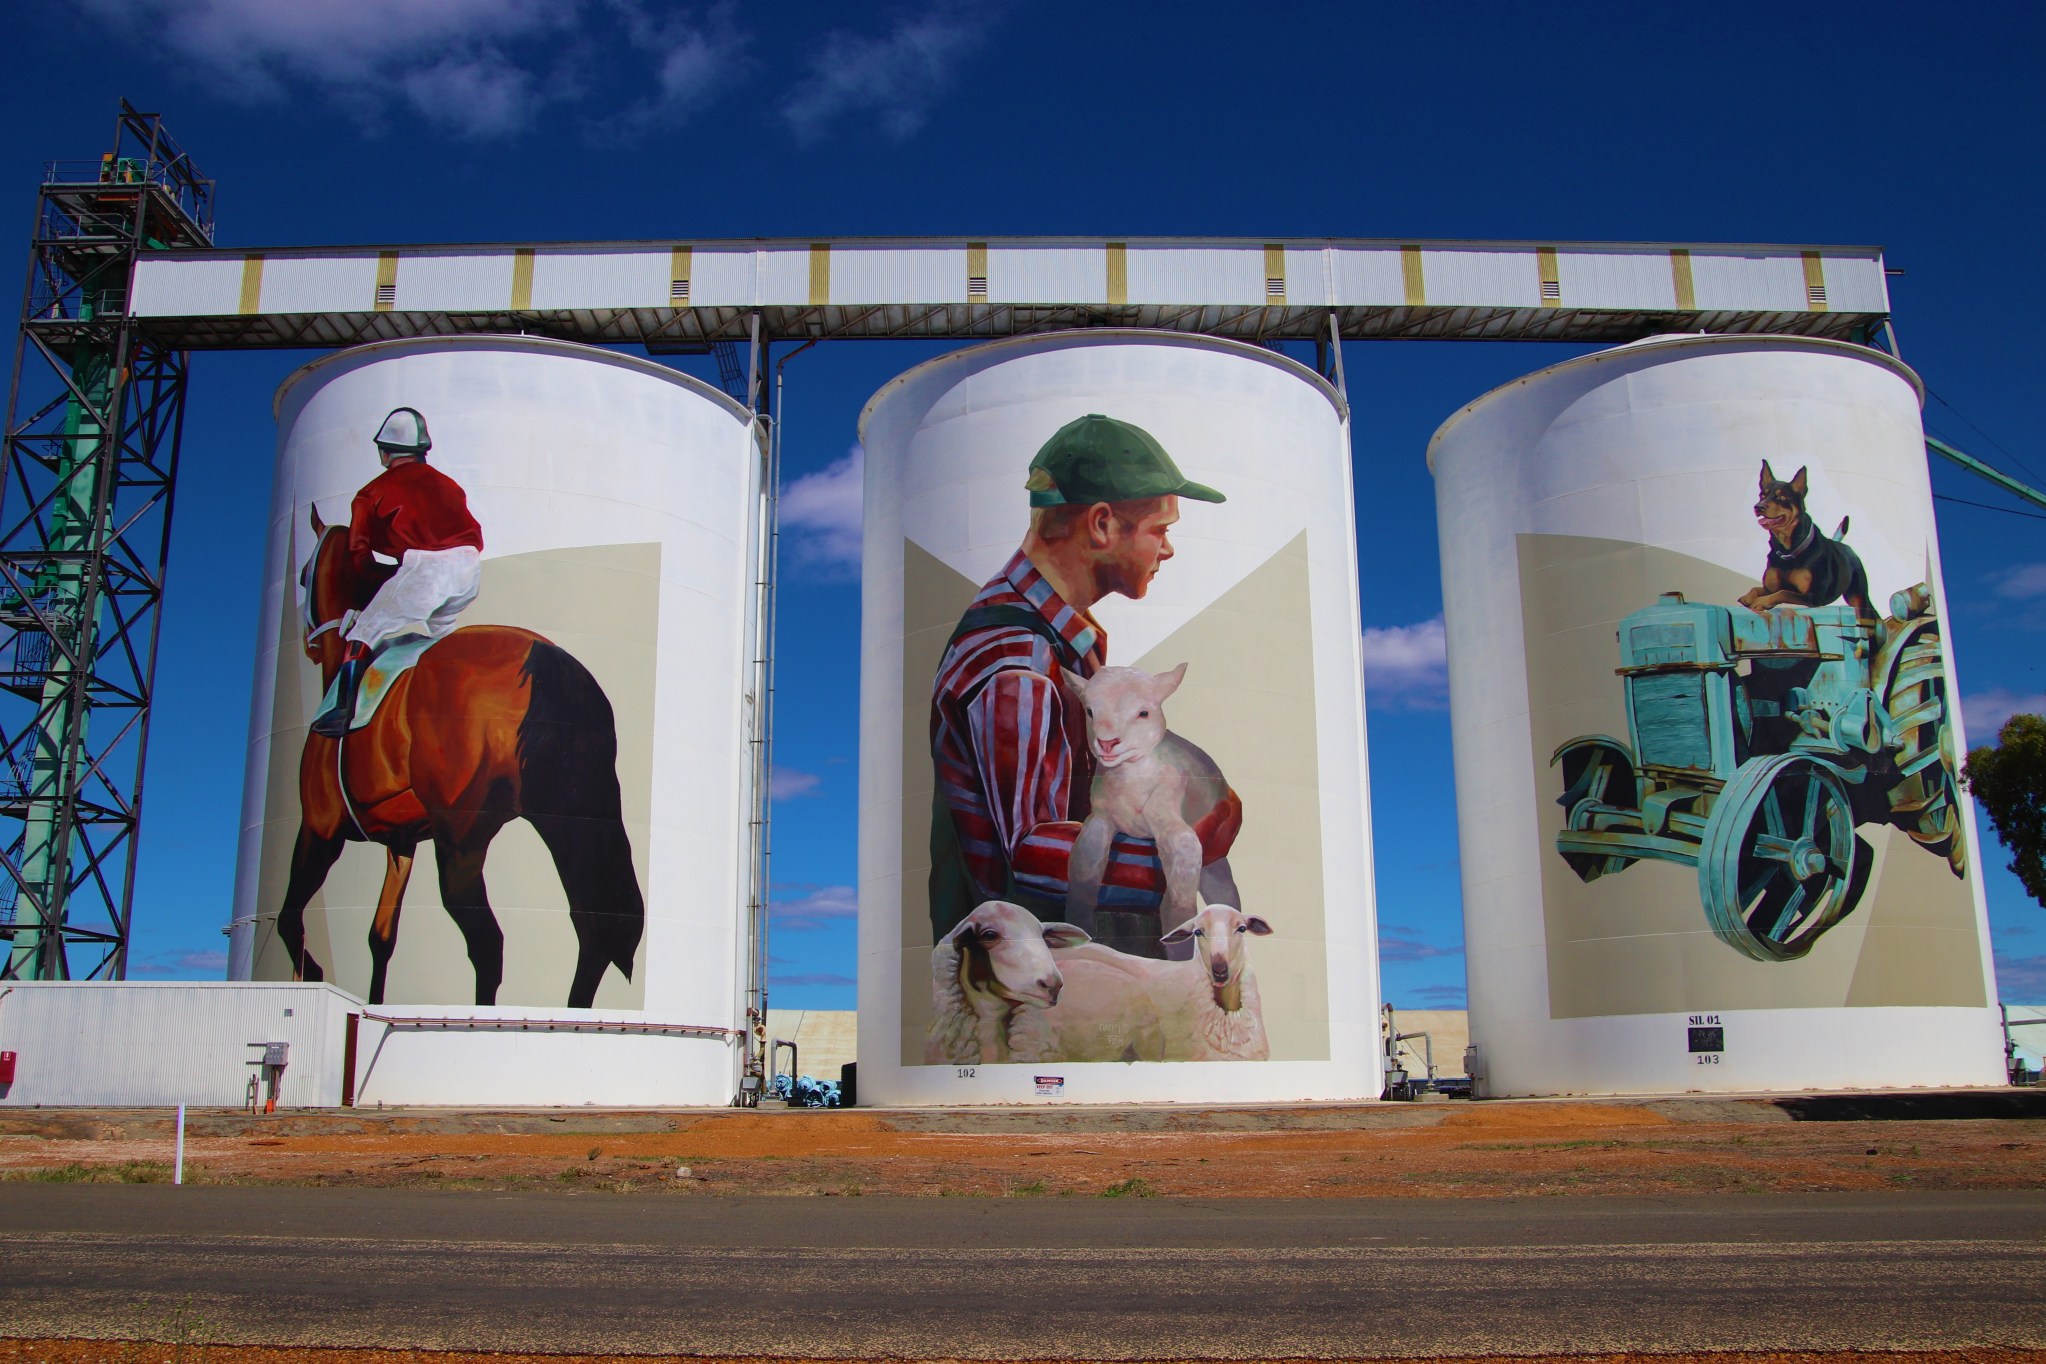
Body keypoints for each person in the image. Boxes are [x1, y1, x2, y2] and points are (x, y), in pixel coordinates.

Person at [927, 413, 1227, 956]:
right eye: (1160, 530)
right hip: (1031, 983)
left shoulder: (1064, 643)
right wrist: (1195, 842)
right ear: (1102, 523)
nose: (1168, 550)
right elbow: (1028, 859)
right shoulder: (1020, 664)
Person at [310, 407, 484, 738]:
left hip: (426, 570)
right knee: (442, 636)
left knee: (362, 632)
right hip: (469, 568)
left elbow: (359, 558)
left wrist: (385, 578)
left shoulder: (370, 494)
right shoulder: (449, 485)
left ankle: (343, 712)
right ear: (421, 450)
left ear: (385, 452)